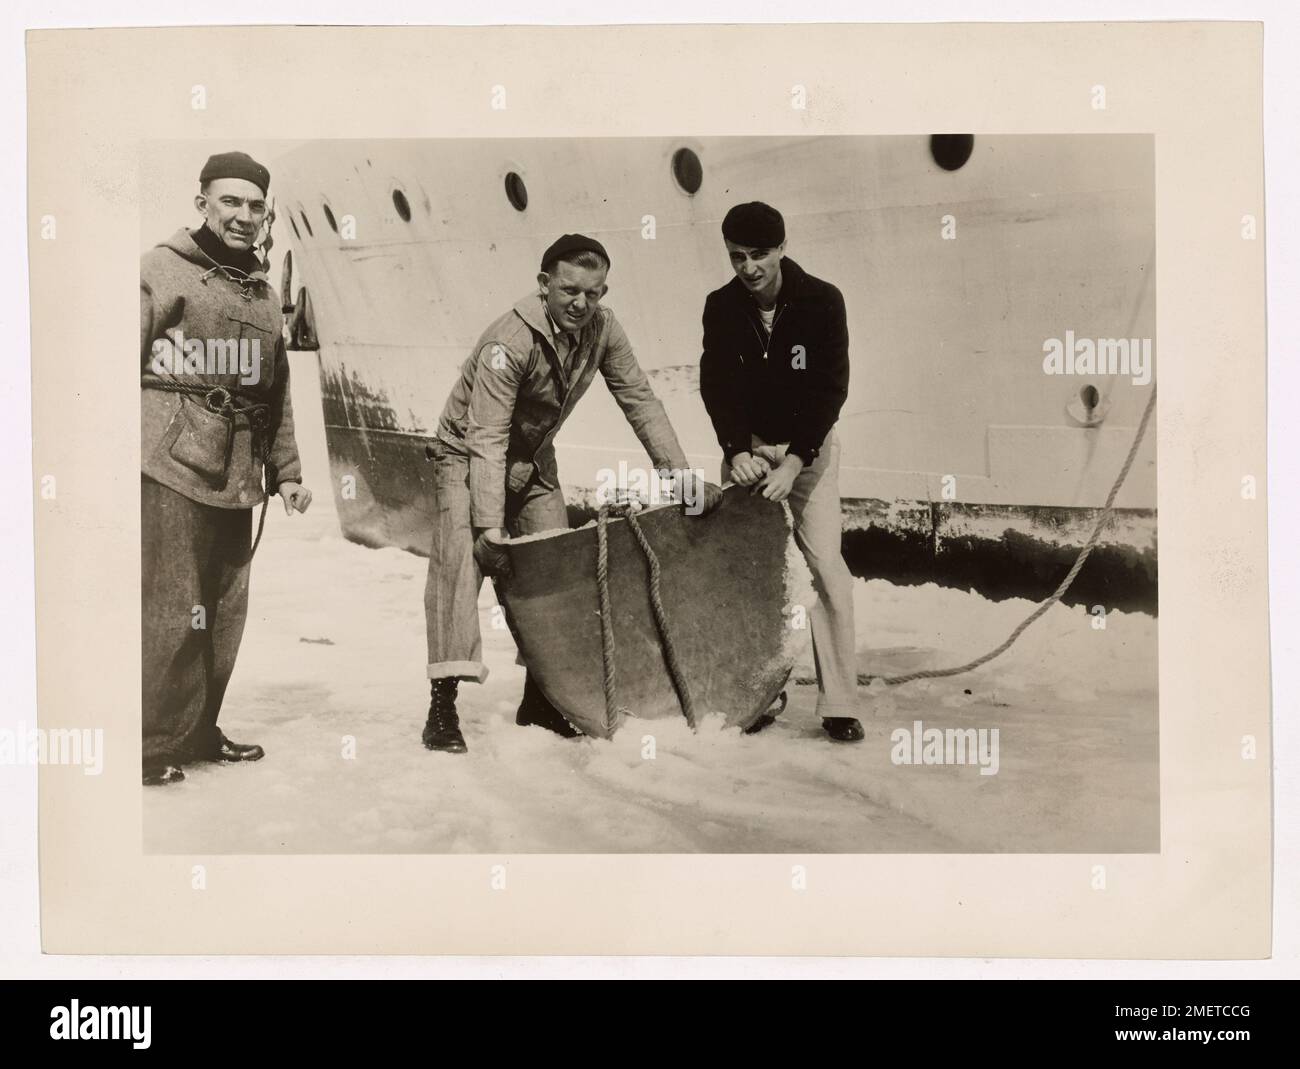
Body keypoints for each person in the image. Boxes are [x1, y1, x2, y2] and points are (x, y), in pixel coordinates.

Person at [422, 234, 722, 752]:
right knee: (461, 567)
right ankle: (442, 707)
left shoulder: (602, 329)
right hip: (466, 456)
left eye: (595, 292)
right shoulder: (508, 342)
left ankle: (538, 701)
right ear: (544, 286)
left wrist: (679, 477)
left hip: (534, 458)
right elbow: (487, 436)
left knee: (554, 567)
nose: (582, 304)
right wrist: (489, 526)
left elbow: (640, 399)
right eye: (569, 290)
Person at [139, 151, 312, 785]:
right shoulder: (160, 270)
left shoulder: (265, 294)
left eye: (256, 205)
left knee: (223, 608)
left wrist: (287, 472)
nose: (244, 216)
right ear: (203, 204)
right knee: (171, 604)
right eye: (230, 202)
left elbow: (277, 390)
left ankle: (199, 729)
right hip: (171, 464)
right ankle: (151, 743)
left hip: (238, 472)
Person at [699, 201, 864, 742]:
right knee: (749, 574)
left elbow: (828, 392)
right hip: (748, 454)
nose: (748, 268)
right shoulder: (721, 307)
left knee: (825, 567)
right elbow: (717, 384)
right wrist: (735, 448)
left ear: (782, 247)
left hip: (807, 454)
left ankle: (840, 702)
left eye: (759, 255)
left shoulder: (821, 301)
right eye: (737, 257)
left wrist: (795, 462)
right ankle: (759, 694)